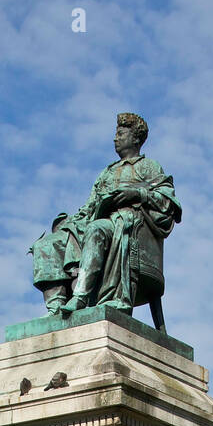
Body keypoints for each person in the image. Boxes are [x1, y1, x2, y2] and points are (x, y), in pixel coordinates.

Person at [30, 112, 181, 318]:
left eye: (120, 134)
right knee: (48, 244)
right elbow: (89, 207)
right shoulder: (107, 172)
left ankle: (81, 296)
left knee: (96, 229)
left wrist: (136, 193)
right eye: (116, 134)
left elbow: (167, 202)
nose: (115, 138)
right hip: (97, 222)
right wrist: (68, 223)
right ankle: (56, 306)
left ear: (135, 138)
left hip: (126, 226)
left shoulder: (149, 167)